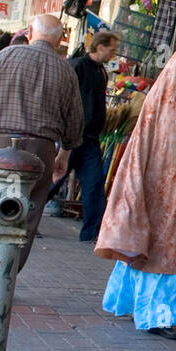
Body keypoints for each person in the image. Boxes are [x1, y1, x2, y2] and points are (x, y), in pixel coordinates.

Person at [95, 39, 176, 341]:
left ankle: (154, 309)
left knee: (173, 246)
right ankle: (155, 314)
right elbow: (143, 142)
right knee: (154, 244)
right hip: (156, 188)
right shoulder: (163, 95)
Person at [0, 15, 83, 271]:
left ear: (30, 33)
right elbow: (75, 122)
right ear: (60, 39)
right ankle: (6, 277)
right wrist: (63, 155)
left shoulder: (6, 56)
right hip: (41, 150)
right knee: (26, 216)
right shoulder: (66, 70)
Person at [49, 30, 118, 242]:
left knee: (94, 183)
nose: (113, 54)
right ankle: (26, 217)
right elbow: (62, 97)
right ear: (100, 47)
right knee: (53, 180)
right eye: (112, 49)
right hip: (71, 136)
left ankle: (91, 232)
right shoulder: (77, 66)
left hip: (90, 138)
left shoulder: (101, 71)